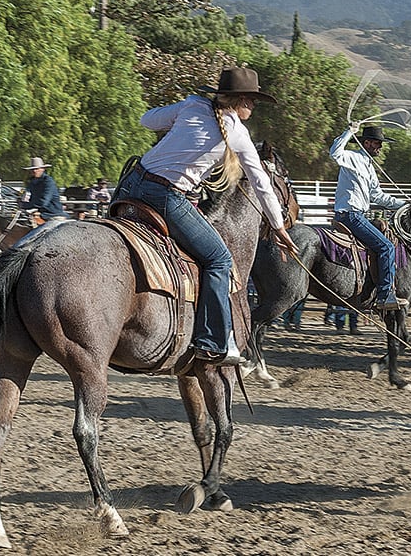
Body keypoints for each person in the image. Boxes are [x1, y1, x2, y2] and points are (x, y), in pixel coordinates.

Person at [114, 66, 298, 367]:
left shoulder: (192, 105)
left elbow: (146, 120)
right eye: (250, 100)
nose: (252, 105)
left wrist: (177, 120)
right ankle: (213, 340)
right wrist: (278, 227)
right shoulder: (237, 133)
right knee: (219, 260)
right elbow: (261, 183)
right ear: (237, 100)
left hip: (132, 184)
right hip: (165, 196)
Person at [330, 125, 411, 310]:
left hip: (357, 214)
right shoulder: (352, 157)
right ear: (366, 142)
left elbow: (378, 196)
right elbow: (335, 153)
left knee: (386, 242)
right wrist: (349, 132)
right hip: (350, 215)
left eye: (380, 144)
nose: (379, 147)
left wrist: (404, 204)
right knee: (386, 246)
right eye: (376, 143)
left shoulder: (369, 167)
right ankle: (385, 295)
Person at [19, 157, 67, 223]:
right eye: (32, 169)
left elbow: (43, 202)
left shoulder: (48, 182)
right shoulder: (31, 183)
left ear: (43, 169)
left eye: (36, 169)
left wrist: (24, 205)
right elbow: (30, 199)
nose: (34, 171)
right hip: (39, 215)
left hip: (53, 215)